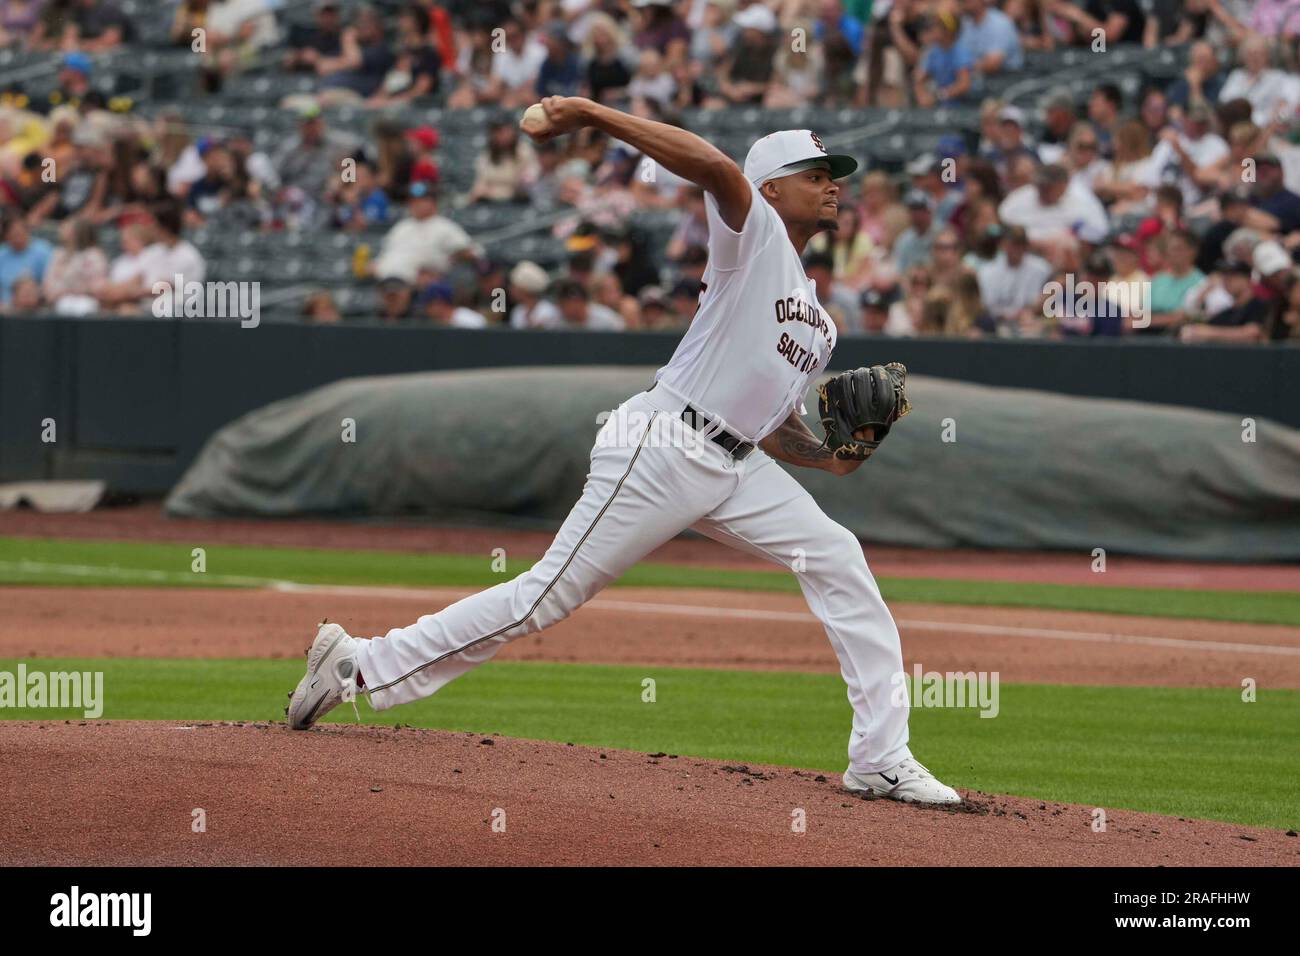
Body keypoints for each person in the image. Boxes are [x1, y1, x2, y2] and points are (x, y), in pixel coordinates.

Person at [286, 98, 963, 807]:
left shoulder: (820, 322)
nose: (833, 183)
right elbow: (711, 166)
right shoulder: (752, 235)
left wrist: (829, 459)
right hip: (665, 442)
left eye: (836, 173)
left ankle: (881, 756)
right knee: (543, 598)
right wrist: (591, 115)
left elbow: (769, 425)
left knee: (838, 557)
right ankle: (357, 664)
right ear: (769, 188)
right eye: (816, 171)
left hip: (735, 464)